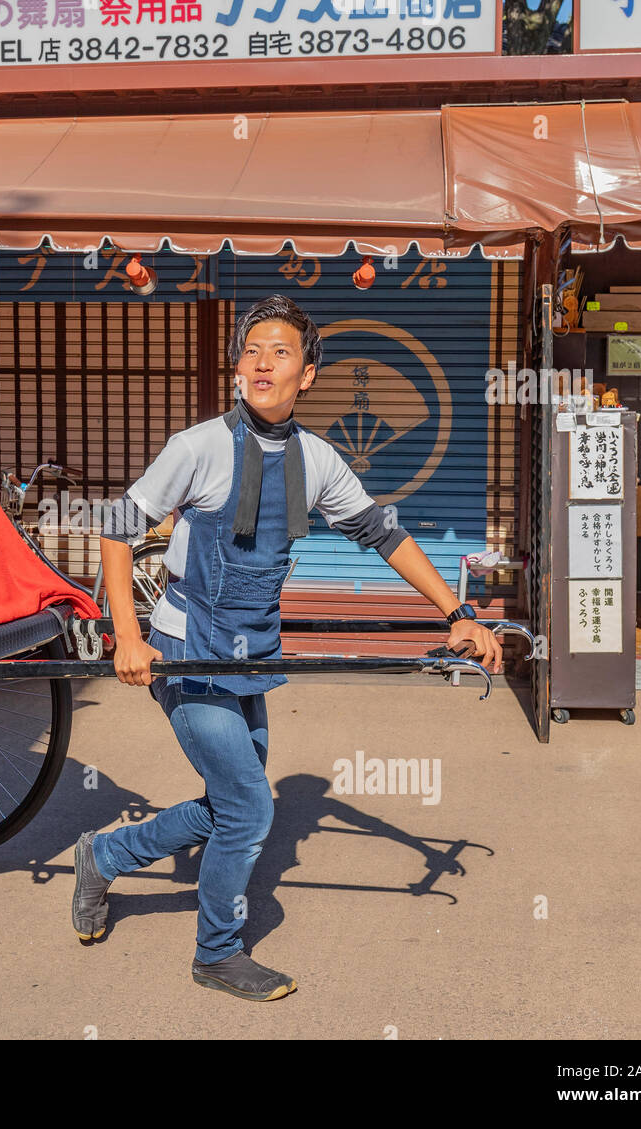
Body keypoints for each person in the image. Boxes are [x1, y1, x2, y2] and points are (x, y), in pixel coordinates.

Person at [77, 294, 503, 1002]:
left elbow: (383, 535)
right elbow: (118, 527)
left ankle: (104, 854)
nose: (263, 362)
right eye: (252, 350)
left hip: (253, 656)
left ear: (308, 374)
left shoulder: (319, 459)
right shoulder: (198, 446)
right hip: (186, 648)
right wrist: (125, 633)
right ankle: (216, 951)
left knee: (231, 803)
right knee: (249, 808)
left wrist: (456, 612)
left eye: (280, 351)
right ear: (238, 366)